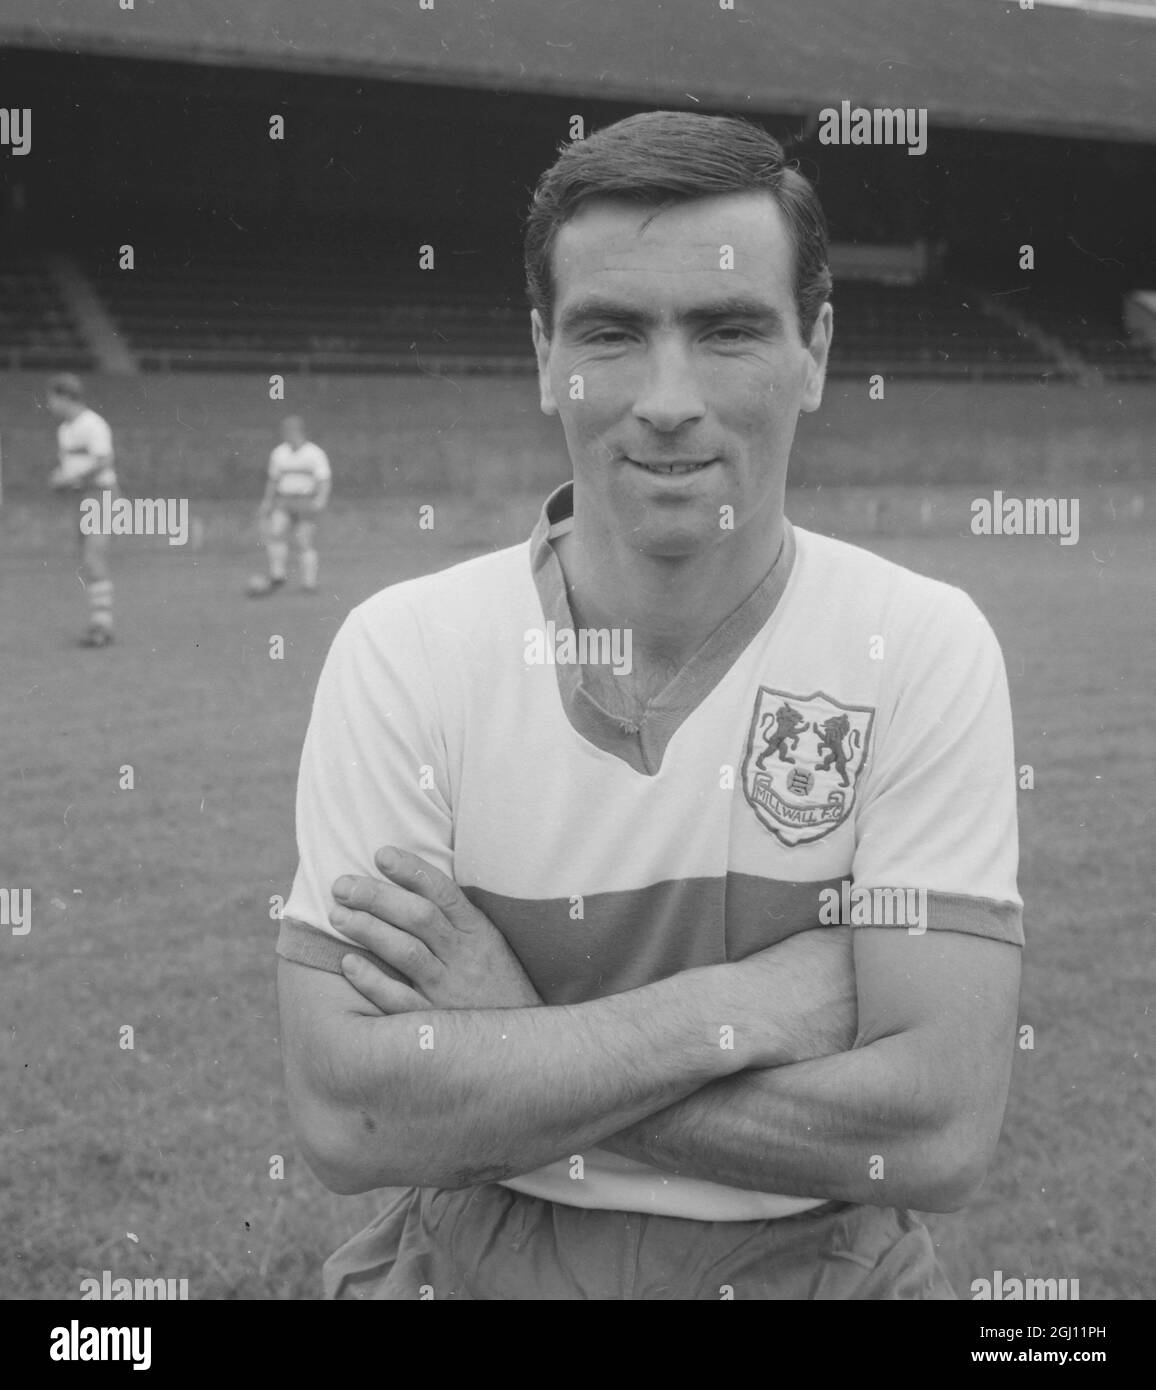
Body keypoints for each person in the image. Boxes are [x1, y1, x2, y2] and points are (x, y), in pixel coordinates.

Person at [275, 111, 1023, 1300]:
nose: (667, 398)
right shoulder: (405, 651)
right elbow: (352, 1118)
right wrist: (745, 1004)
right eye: (613, 333)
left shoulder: (919, 647)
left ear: (815, 350)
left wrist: (515, 1030)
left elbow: (933, 1134)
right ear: (544, 356)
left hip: (822, 1265)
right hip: (474, 1259)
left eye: (727, 330)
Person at [47, 373, 118, 647]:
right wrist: (60, 478)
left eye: (52, 398)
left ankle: (102, 627)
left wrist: (71, 479)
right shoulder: (65, 430)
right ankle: (100, 622)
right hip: (83, 498)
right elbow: (72, 468)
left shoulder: (93, 424)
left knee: (93, 558)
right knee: (88, 561)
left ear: (65, 397)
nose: (50, 404)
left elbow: (105, 461)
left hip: (101, 496)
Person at [248, 415, 331, 595]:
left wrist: (320, 500)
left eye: (292, 430)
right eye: (286, 431)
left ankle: (309, 583)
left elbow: (324, 480)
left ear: (300, 431)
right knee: (275, 534)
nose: (288, 434)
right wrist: (267, 502)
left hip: (305, 501)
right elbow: (273, 480)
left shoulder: (314, 453)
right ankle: (278, 575)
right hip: (284, 501)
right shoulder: (279, 453)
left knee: (303, 540)